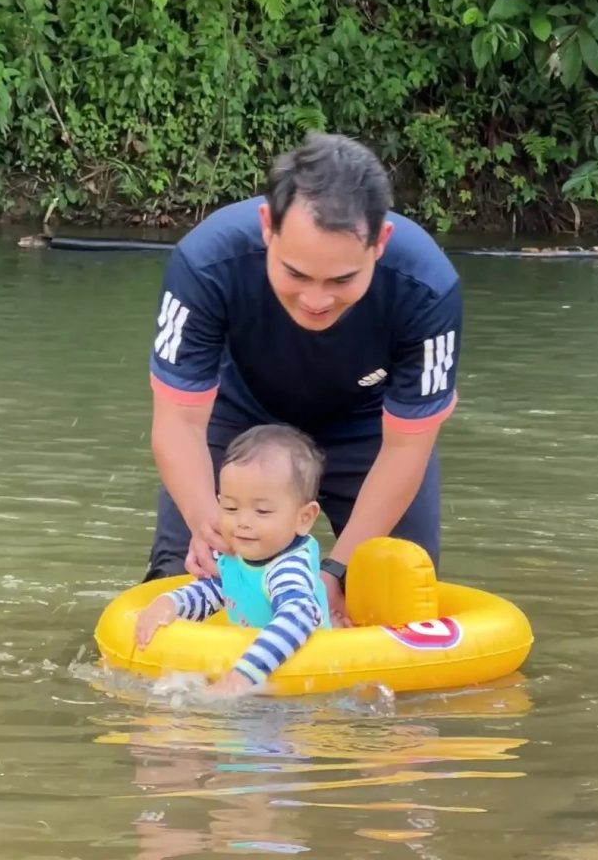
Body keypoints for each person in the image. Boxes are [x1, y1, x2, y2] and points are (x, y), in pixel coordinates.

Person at [145, 131, 463, 625]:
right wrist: (208, 525)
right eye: (296, 274)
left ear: (380, 243)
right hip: (236, 419)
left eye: (341, 281)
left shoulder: (428, 288)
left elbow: (407, 448)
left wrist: (336, 568)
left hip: (369, 430)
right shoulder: (205, 264)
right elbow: (178, 421)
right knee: (188, 579)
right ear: (267, 227)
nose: (316, 300)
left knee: (398, 594)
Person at [134, 424, 330, 695]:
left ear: (303, 518)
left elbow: (298, 618)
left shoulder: (288, 568)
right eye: (230, 507)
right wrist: (171, 602)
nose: (242, 522)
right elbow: (214, 591)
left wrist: (244, 675)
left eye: (262, 511)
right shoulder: (238, 557)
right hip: (256, 669)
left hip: (303, 681)